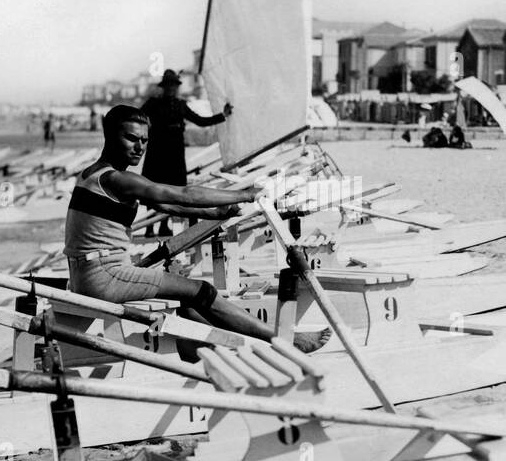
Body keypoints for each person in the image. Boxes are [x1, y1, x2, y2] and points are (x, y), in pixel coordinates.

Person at [64, 104, 330, 353]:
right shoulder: (116, 179)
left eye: (144, 140)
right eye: (131, 138)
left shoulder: (92, 174)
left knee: (188, 297)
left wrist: (218, 212)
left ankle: (201, 351)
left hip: (85, 275)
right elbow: (182, 194)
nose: (140, 147)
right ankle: (285, 341)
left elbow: (174, 207)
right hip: (104, 277)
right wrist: (246, 194)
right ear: (110, 136)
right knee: (200, 290)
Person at [140, 69, 232, 237]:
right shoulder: (152, 104)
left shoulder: (181, 105)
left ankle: (163, 225)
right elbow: (138, 117)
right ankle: (149, 228)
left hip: (175, 155)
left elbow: (201, 121)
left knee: (172, 190)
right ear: (164, 87)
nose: (171, 89)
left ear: (177, 87)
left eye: (174, 86)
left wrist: (222, 116)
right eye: (169, 86)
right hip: (157, 154)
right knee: (152, 189)